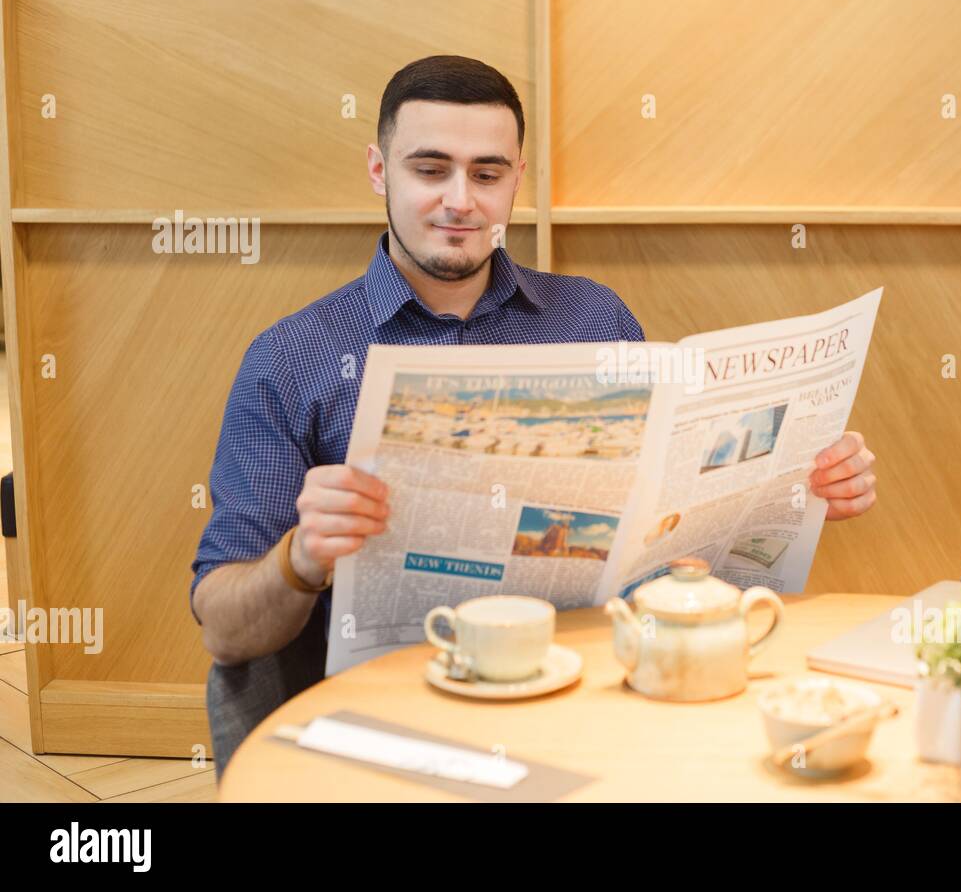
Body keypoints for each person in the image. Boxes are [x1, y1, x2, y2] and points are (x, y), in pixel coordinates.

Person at [190, 55, 878, 668]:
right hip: (385, 704)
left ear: (517, 179)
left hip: (588, 684)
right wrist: (302, 558)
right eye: (429, 169)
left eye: (486, 174)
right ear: (378, 169)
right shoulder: (291, 357)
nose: (460, 201)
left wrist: (796, 486)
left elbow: (664, 536)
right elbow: (224, 630)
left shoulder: (594, 321)